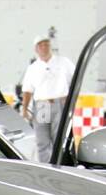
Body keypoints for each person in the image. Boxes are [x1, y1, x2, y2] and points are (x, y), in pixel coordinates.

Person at [20, 33, 75, 163]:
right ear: (36, 49)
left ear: (50, 46)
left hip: (60, 104)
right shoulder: (33, 68)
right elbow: (27, 90)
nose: (44, 47)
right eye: (40, 45)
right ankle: (45, 165)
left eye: (46, 44)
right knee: (42, 140)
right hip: (42, 105)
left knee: (59, 138)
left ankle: (61, 165)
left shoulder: (63, 62)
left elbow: (75, 80)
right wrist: (24, 109)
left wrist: (70, 100)